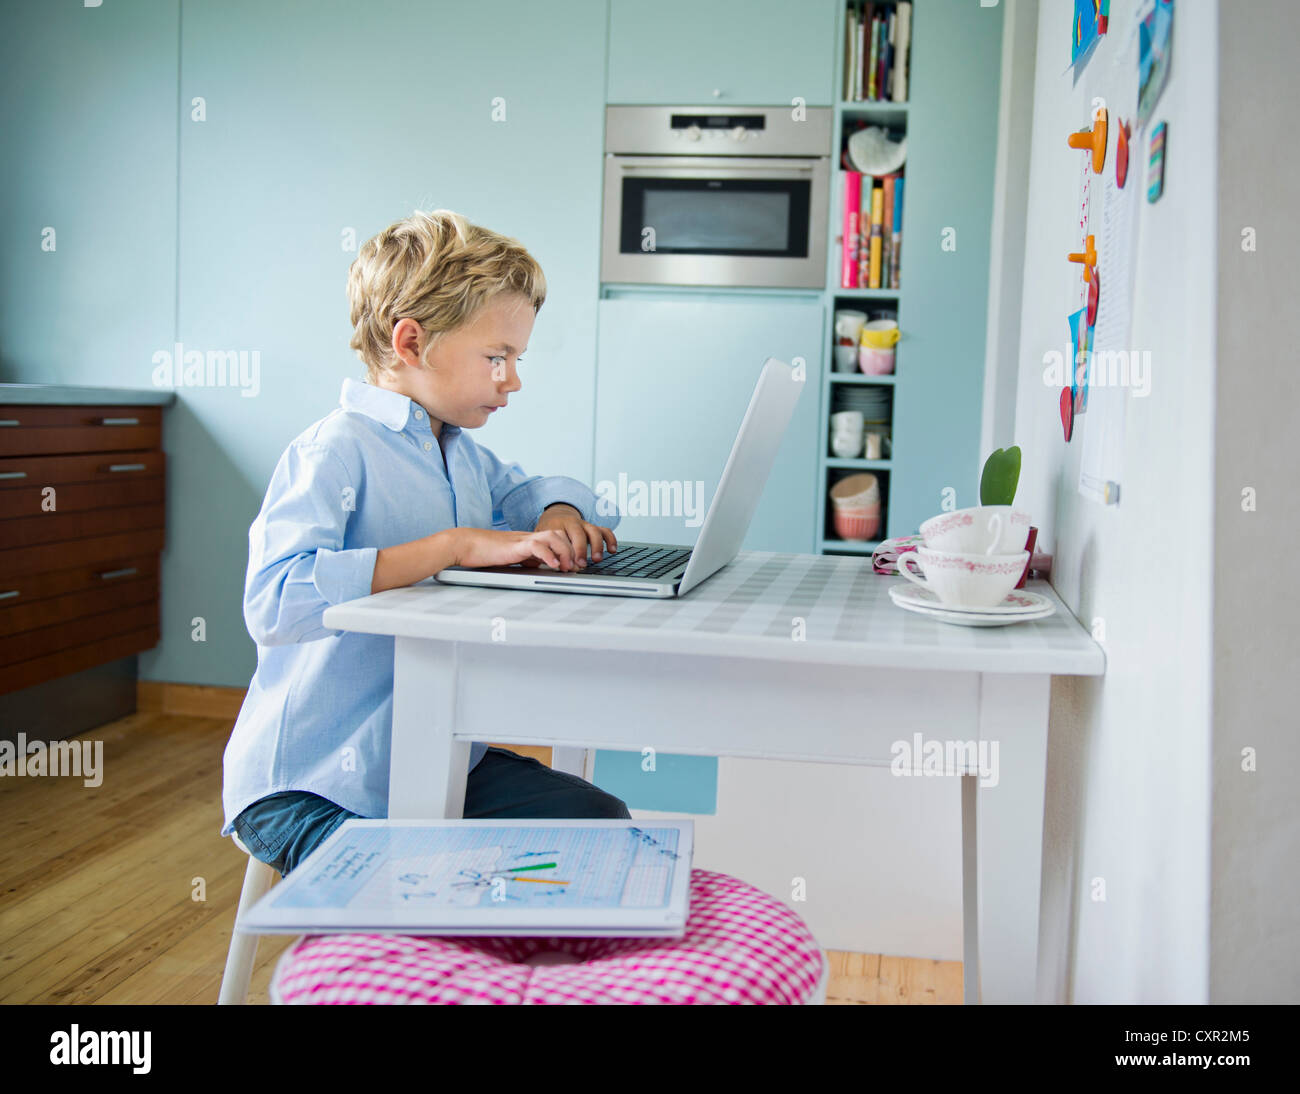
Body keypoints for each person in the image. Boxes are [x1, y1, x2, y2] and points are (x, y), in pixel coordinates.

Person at [221, 209, 629, 876]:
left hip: (431, 757)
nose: (513, 380)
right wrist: (451, 547)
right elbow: (273, 602)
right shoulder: (334, 452)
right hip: (311, 785)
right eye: (497, 358)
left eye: (517, 359)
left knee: (599, 825)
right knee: (423, 887)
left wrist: (557, 512)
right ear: (410, 342)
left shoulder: (459, 453)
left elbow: (540, 491)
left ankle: (530, 978)